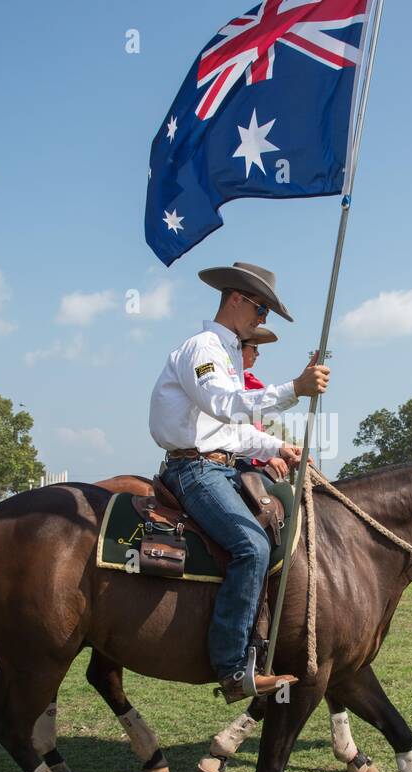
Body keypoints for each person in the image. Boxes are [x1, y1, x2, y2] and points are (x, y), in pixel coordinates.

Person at [149, 262, 330, 703]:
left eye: (266, 311)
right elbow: (226, 403)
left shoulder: (227, 352)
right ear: (236, 298)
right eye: (261, 308)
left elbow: (231, 431)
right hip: (193, 470)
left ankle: (264, 639)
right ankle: (232, 668)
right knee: (252, 546)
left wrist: (275, 448)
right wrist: (295, 388)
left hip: (220, 464)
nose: (262, 319)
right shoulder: (204, 347)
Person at [240, 325, 291, 479]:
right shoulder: (226, 386)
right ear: (238, 348)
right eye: (254, 348)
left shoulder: (249, 383)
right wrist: (269, 456)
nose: (258, 354)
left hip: (250, 456)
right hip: (234, 458)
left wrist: (278, 451)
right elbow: (237, 431)